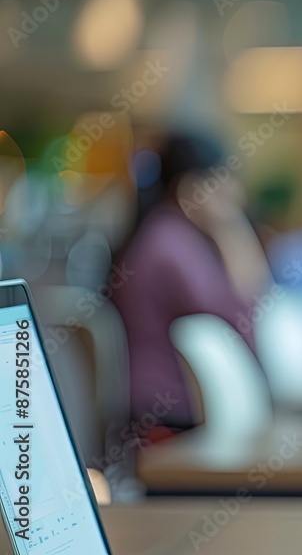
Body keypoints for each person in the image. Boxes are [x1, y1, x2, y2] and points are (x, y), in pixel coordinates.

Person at [111, 130, 272, 432]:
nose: (235, 194)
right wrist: (232, 230)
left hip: (184, 407)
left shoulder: (172, 235)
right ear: (189, 190)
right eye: (223, 182)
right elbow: (241, 318)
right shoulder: (169, 243)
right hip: (168, 419)